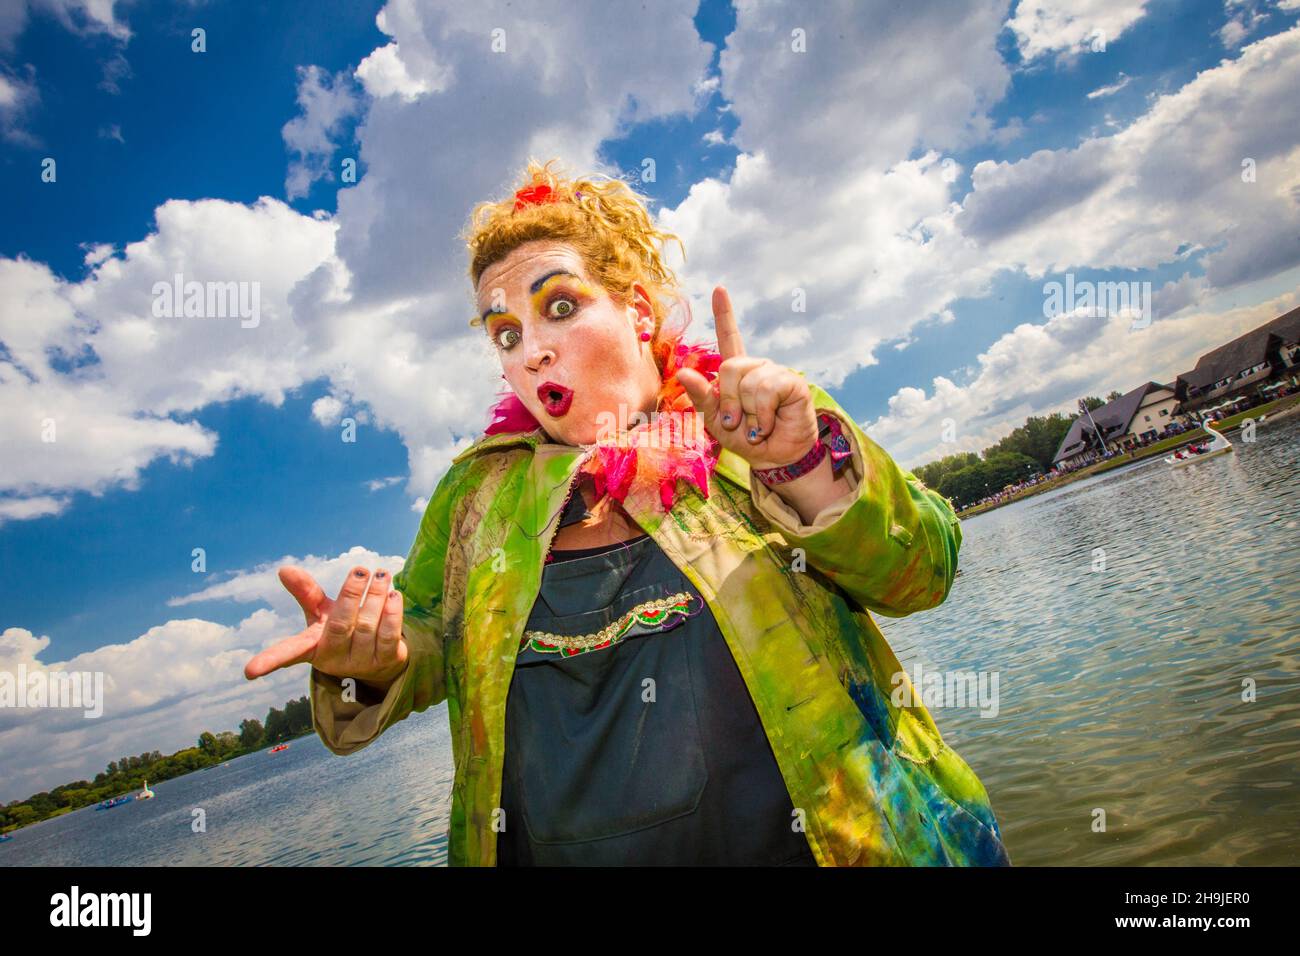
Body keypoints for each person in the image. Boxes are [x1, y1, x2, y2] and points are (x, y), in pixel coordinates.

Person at [244, 159, 1010, 867]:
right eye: (506, 332)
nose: (530, 351)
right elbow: (426, 645)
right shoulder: (473, 496)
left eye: (560, 307)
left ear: (639, 310)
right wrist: (369, 669)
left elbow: (927, 571)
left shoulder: (756, 419)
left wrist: (804, 469)